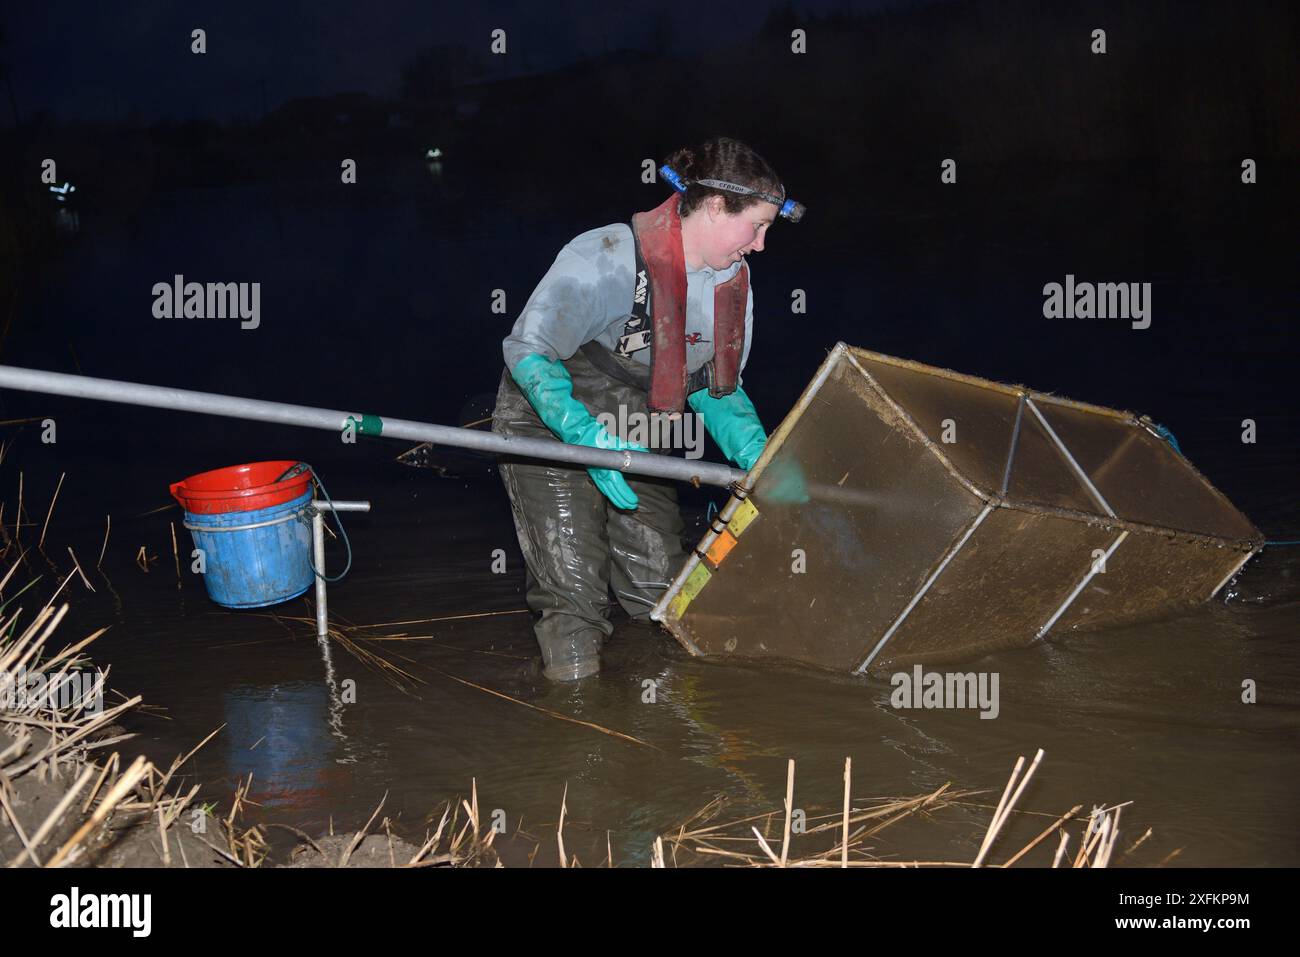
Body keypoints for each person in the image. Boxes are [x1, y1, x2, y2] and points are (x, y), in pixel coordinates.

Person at [491, 136, 803, 681]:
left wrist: (760, 455)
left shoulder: (735, 284)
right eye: (755, 226)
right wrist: (584, 437)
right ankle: (575, 722)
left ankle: (664, 723)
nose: (760, 246)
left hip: (637, 425)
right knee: (574, 593)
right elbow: (528, 350)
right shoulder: (607, 256)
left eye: (768, 230)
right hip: (548, 418)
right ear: (711, 206)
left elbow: (713, 385)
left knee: (665, 593)